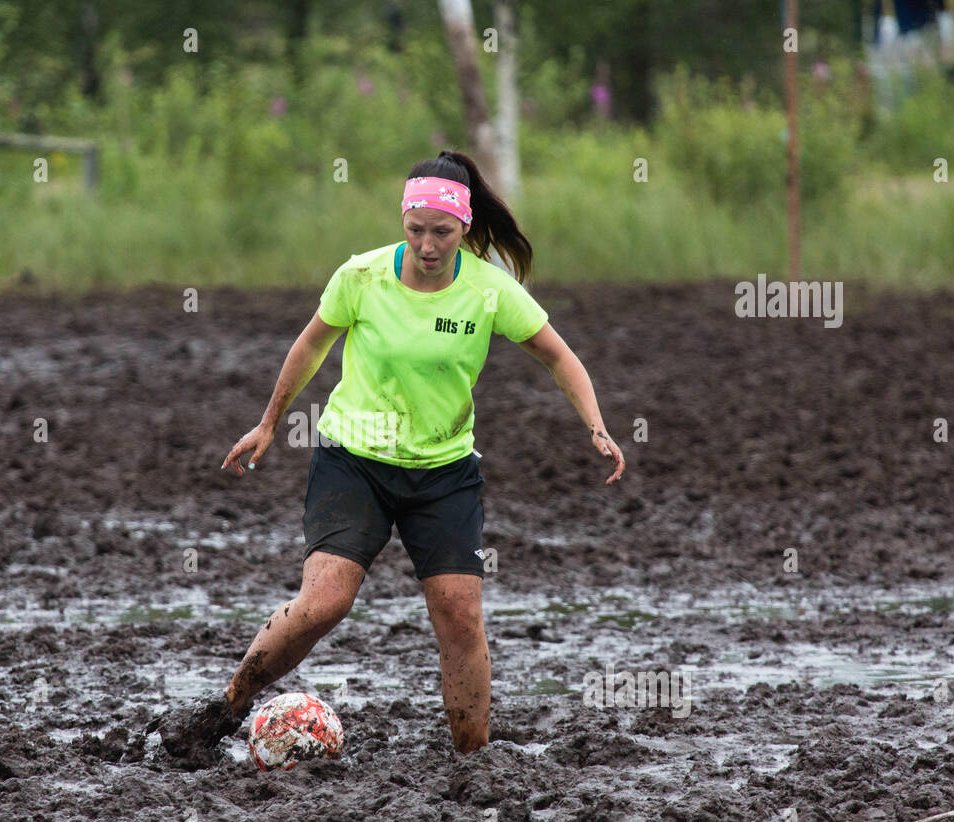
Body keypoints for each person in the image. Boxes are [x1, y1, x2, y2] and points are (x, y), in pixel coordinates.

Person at [160, 150, 624, 766]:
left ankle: (474, 765)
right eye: (415, 229)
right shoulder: (362, 276)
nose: (427, 245)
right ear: (402, 221)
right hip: (354, 462)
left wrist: (595, 424)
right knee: (325, 603)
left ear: (463, 229)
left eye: (442, 232)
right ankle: (227, 705)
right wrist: (270, 422)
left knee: (460, 614)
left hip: (445, 474)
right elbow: (310, 346)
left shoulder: (489, 289)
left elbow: (558, 356)